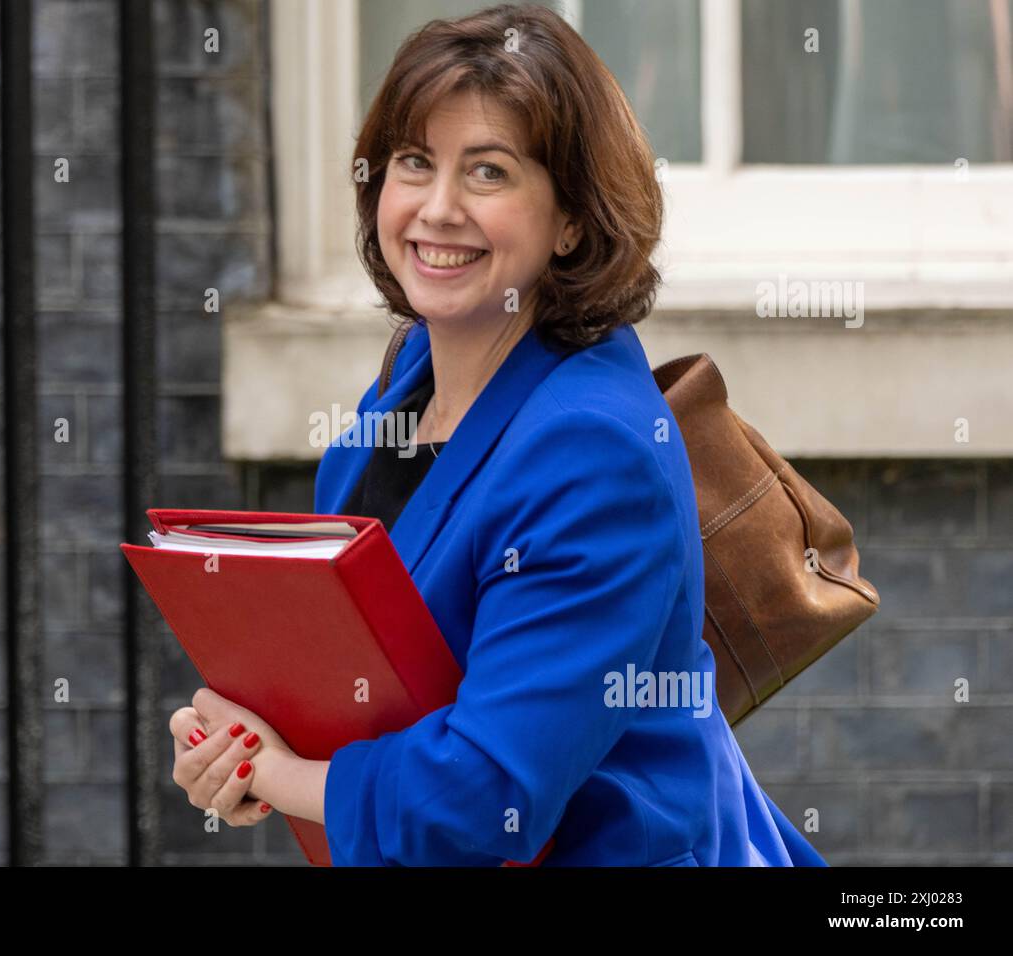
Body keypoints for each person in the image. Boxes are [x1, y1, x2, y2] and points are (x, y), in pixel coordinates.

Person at [167, 3, 826, 867]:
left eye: (488, 173)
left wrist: (286, 775)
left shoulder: (593, 454)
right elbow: (371, 689)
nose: (437, 210)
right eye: (414, 163)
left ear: (573, 221)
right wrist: (236, 743)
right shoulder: (406, 385)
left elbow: (486, 796)